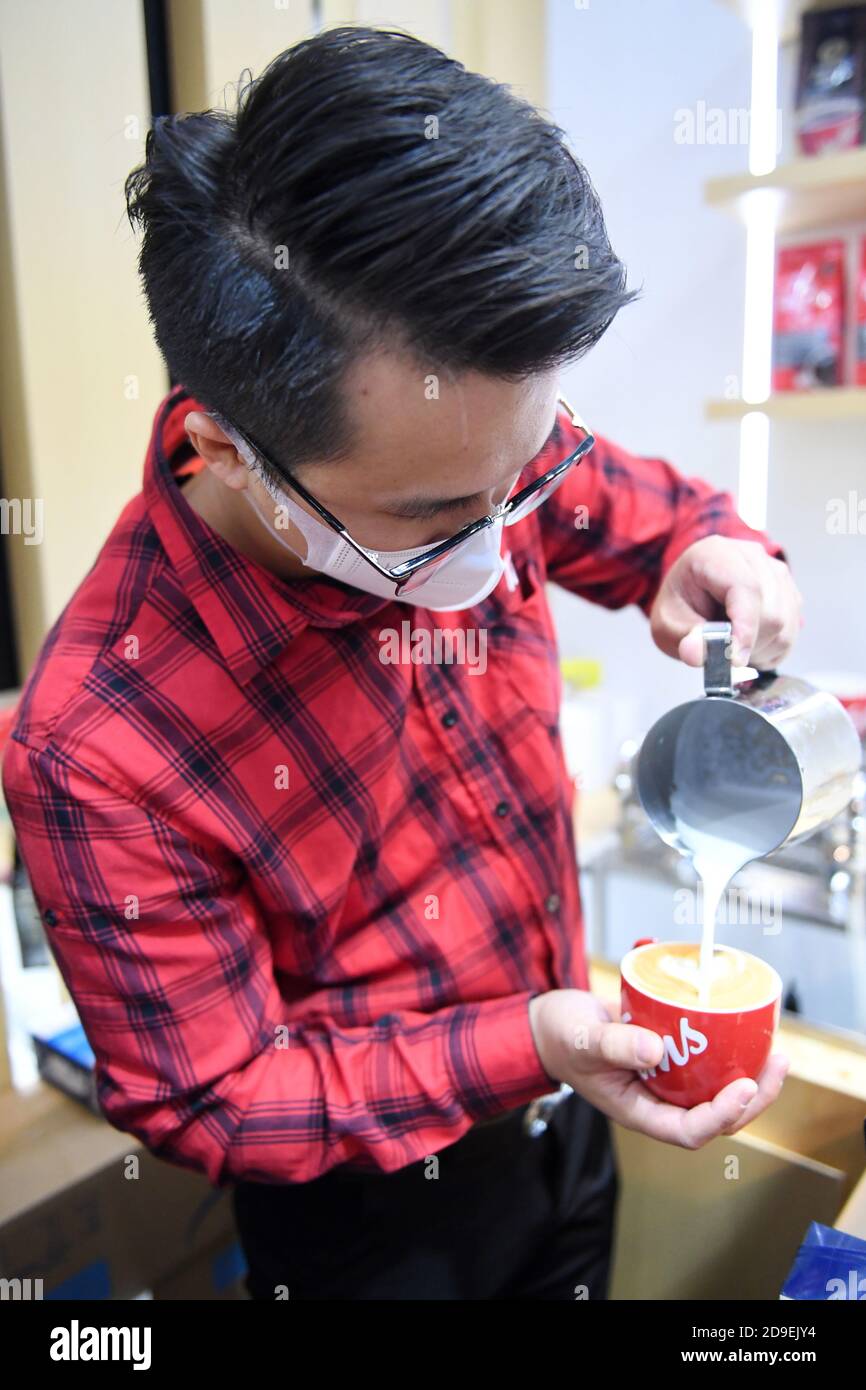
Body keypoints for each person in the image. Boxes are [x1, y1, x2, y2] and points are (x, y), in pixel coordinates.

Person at [1, 27, 801, 1301]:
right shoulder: (101, 742)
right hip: (375, 1226)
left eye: (524, 475)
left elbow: (638, 511)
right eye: (436, 521)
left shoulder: (469, 446)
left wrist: (713, 550)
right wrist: (518, 1045)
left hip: (568, 1109)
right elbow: (210, 1093)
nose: (505, 536)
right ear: (231, 450)